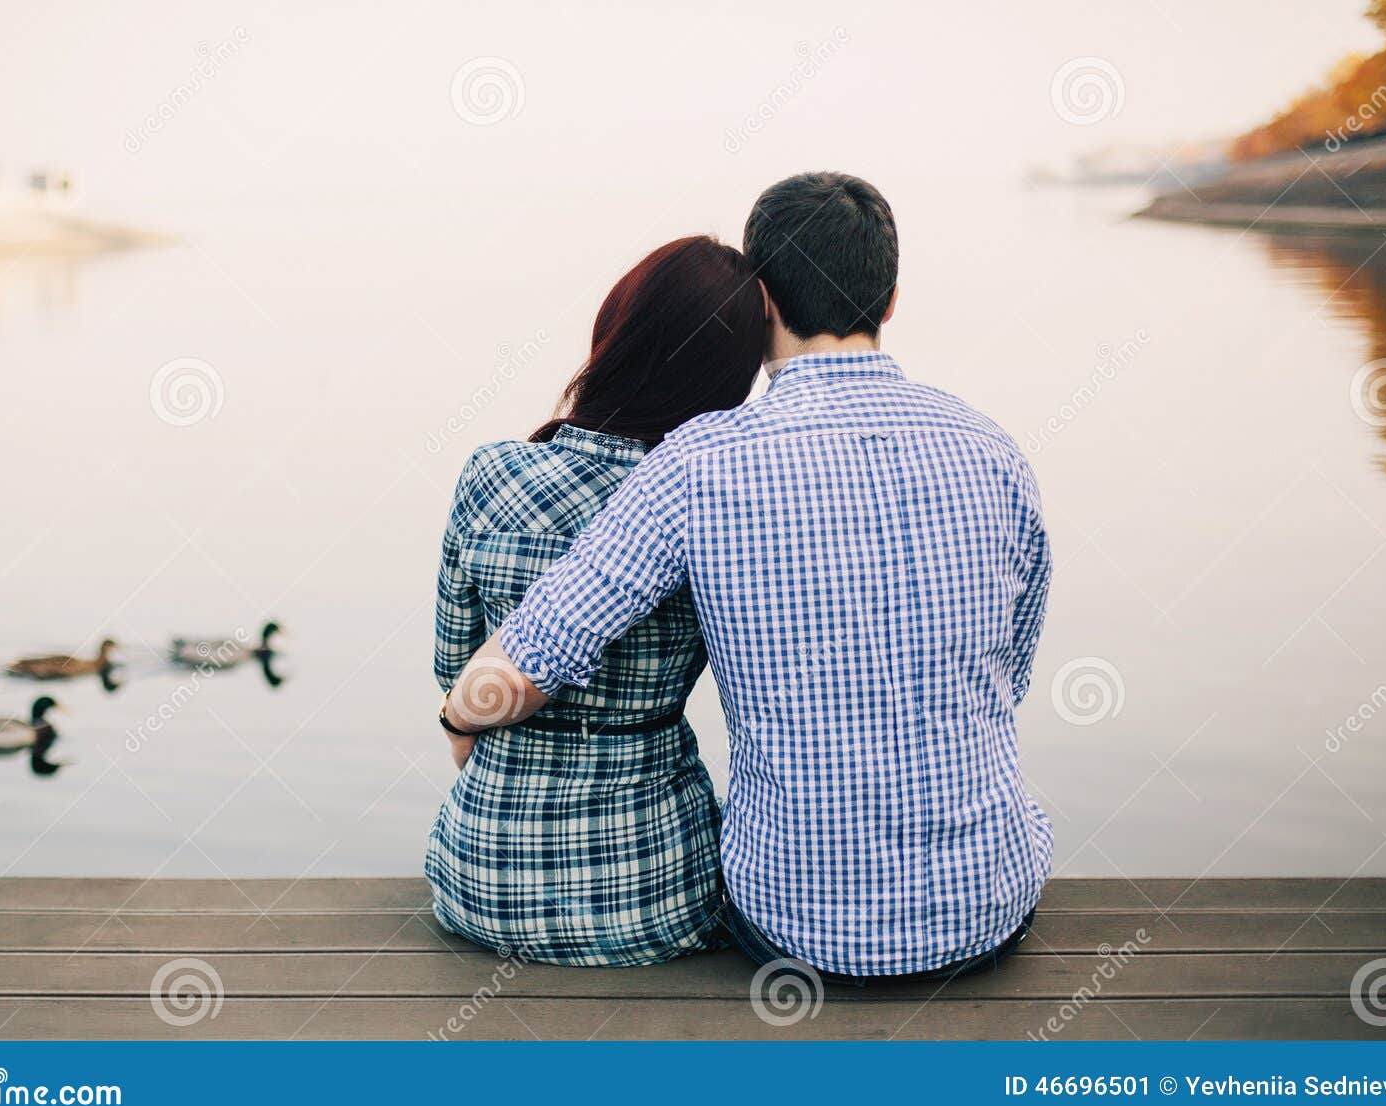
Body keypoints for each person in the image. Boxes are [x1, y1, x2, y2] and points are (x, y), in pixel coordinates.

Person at [440, 172, 1053, 979]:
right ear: (892, 298)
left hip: (795, 926)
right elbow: (1006, 676)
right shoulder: (994, 451)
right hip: (988, 909)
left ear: (761, 301)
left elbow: (524, 665)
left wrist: (458, 719)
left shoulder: (701, 462)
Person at [426, 235, 766, 966]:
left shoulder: (492, 473)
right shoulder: (715, 500)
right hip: (657, 893)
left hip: (479, 881)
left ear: (614, 334)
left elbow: (456, 672)